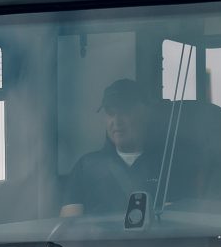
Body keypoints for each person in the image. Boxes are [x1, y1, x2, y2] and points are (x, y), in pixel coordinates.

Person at [59, 78, 164, 218]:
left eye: (124, 111)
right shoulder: (85, 167)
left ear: (145, 112)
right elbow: (68, 230)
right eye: (110, 113)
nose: (117, 121)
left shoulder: (167, 164)